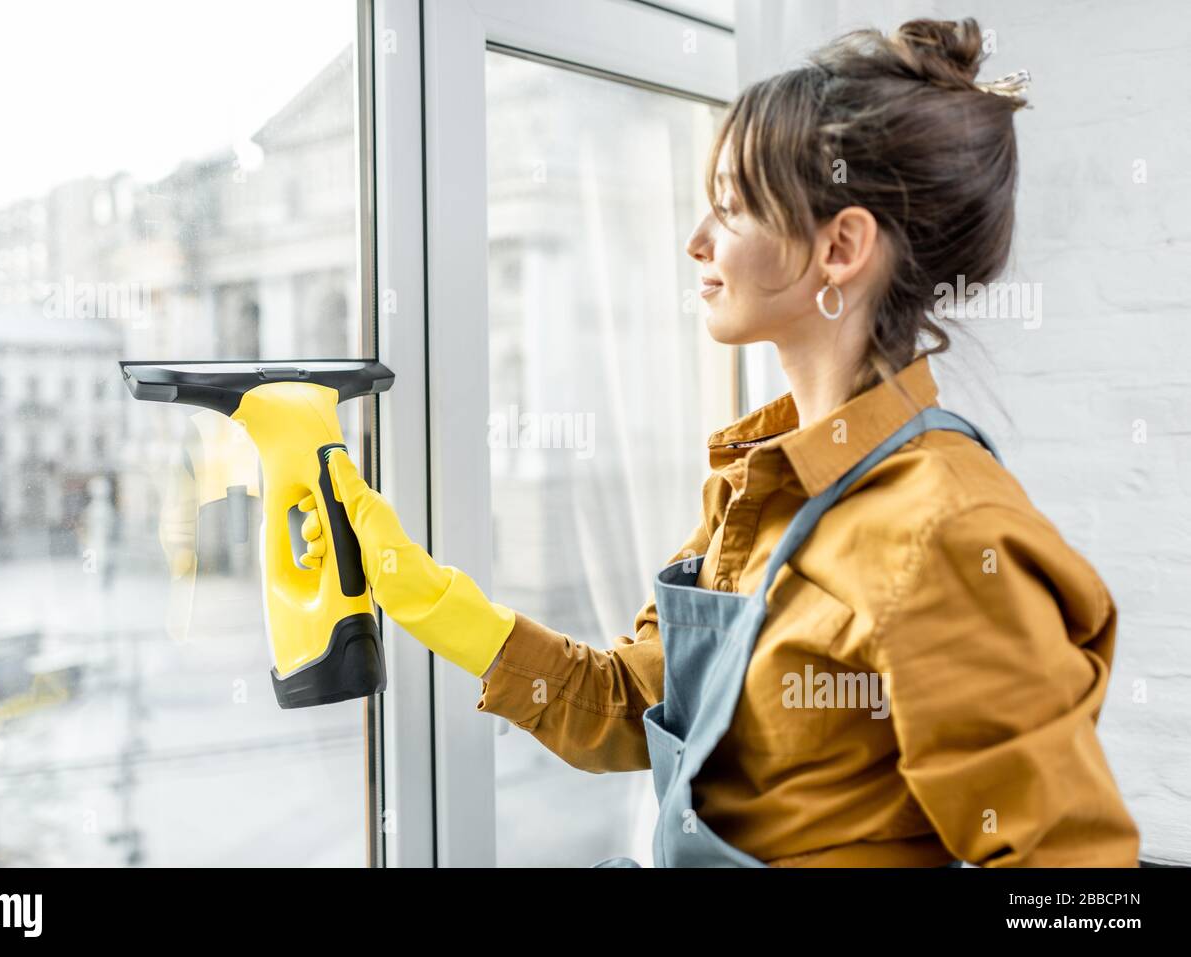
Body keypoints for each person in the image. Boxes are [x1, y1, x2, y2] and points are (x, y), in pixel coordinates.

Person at [300, 17, 1139, 867]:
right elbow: (636, 704)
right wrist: (431, 599)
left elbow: (1074, 884)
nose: (696, 240)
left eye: (732, 207)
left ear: (840, 246)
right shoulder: (757, 483)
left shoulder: (945, 532)